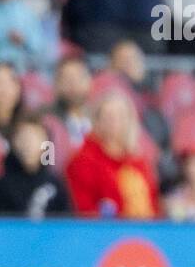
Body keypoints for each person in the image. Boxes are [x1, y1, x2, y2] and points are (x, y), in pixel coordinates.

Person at [65, 90, 160, 218]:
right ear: (97, 121)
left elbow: (153, 204)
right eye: (108, 116)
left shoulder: (139, 161)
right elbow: (85, 212)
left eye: (121, 116)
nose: (115, 122)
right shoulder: (83, 161)